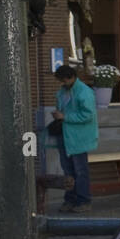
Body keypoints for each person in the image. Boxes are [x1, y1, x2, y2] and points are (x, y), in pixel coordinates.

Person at [49, 64, 98, 213]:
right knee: (68, 170)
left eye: (63, 81)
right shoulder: (64, 91)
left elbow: (88, 115)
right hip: (65, 134)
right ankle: (70, 200)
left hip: (78, 137)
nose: (62, 84)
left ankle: (84, 200)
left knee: (80, 170)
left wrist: (64, 116)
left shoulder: (84, 92)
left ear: (71, 78)